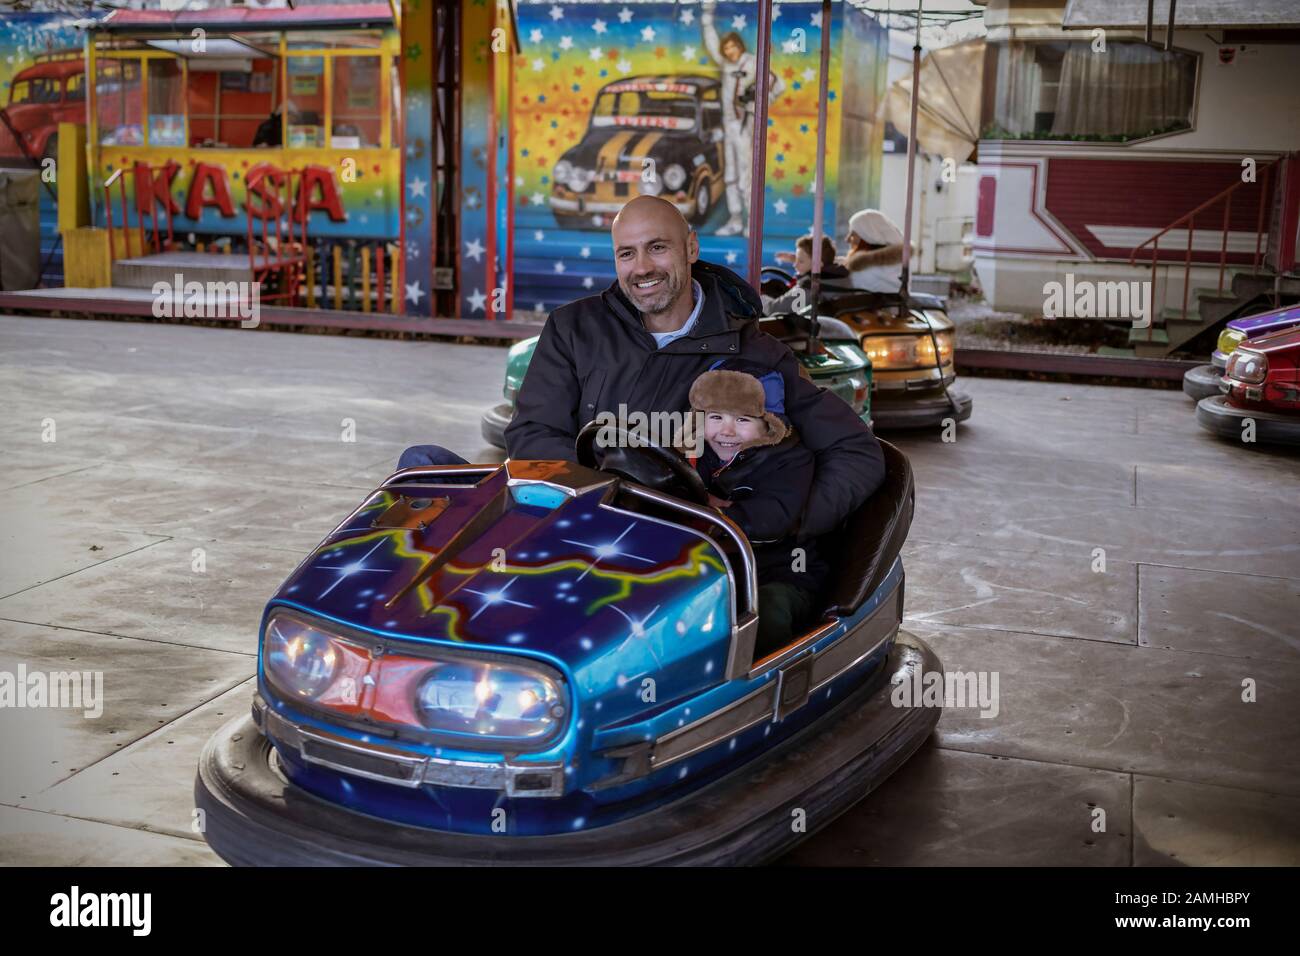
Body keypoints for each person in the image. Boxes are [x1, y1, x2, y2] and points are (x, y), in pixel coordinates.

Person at [398, 194, 885, 538]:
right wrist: (597, 500)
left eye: (657, 247)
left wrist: (771, 524)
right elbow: (534, 433)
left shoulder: (754, 355)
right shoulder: (574, 329)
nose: (642, 268)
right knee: (421, 464)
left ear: (690, 249)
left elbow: (856, 452)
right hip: (573, 520)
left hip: (668, 547)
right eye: (626, 254)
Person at [689, 360, 827, 656]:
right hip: (715, 566)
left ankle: (764, 688)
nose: (726, 431)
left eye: (742, 420)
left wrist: (716, 513)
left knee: (768, 612)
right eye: (715, 417)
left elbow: (772, 519)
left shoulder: (790, 461)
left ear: (769, 425)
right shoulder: (694, 454)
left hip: (780, 570)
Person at [701, 0, 785, 237]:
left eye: (732, 47)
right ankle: (736, 219)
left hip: (745, 124)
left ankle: (751, 221)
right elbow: (711, 42)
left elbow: (778, 86)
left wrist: (754, 102)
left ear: (739, 45)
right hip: (729, 125)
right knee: (731, 174)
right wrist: (707, 16)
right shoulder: (727, 66)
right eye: (726, 48)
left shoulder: (753, 62)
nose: (729, 51)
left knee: (747, 173)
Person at [764, 232, 853, 314]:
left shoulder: (809, 287)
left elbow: (772, 309)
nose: (795, 265)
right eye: (795, 260)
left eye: (801, 261)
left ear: (818, 264)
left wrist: (760, 298)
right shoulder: (843, 278)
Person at [841, 208, 909, 294]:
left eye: (853, 235)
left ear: (867, 237)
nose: (847, 239)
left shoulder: (865, 271)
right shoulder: (899, 266)